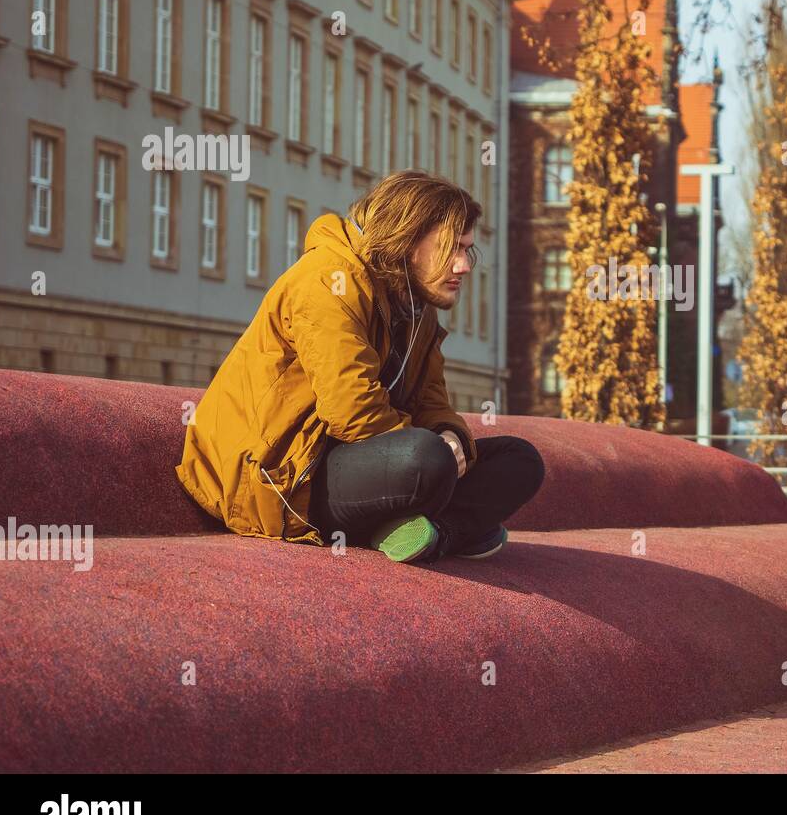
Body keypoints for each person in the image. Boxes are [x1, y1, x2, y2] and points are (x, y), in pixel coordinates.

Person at [175, 171, 545, 563]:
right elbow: (351, 411)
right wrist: (437, 451)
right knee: (426, 460)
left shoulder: (418, 307)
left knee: (519, 460)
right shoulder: (328, 280)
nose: (464, 265)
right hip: (282, 479)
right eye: (452, 248)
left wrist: (450, 434)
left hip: (359, 463)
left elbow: (431, 401)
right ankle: (453, 528)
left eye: (467, 250)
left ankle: (436, 535)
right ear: (407, 238)